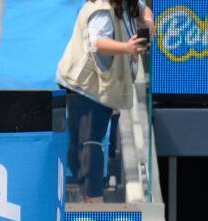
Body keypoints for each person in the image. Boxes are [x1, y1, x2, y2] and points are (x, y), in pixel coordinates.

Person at [55, 0, 153, 202]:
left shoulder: (129, 3)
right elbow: (98, 43)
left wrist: (149, 22)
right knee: (88, 142)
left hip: (100, 87)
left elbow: (144, 9)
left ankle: (89, 195)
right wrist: (127, 47)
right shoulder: (102, 9)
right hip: (85, 86)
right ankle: (94, 199)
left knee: (84, 142)